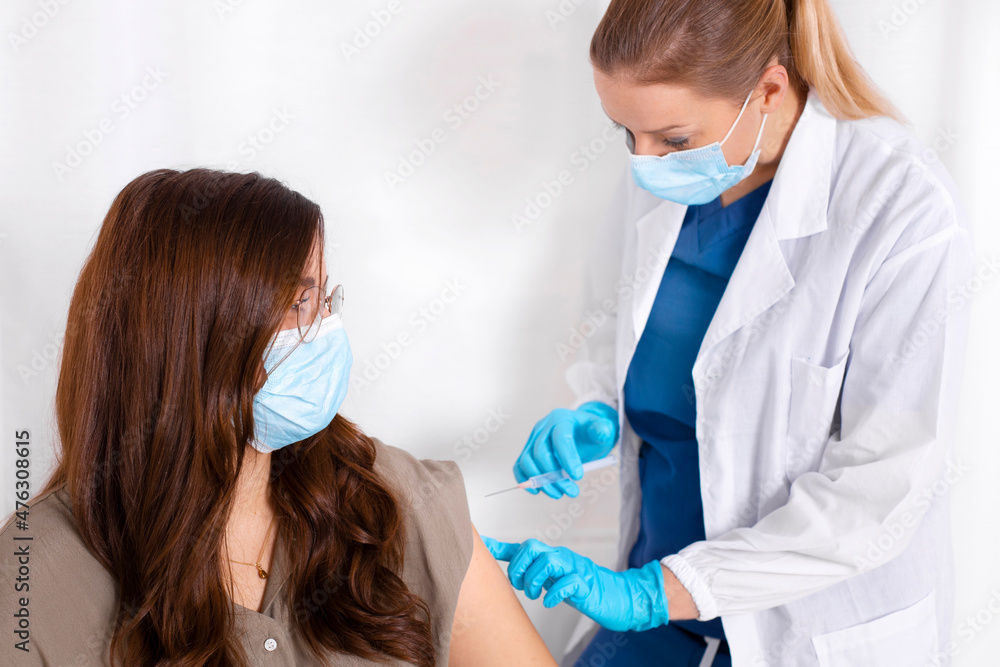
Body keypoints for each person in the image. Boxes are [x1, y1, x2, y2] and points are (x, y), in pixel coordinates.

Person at [483, 0, 975, 665]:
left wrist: (664, 590)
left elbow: (881, 487)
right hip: (653, 601)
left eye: (672, 140)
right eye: (627, 134)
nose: (644, 163)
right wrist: (599, 409)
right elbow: (620, 325)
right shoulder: (672, 171)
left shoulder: (901, 208)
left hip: (803, 626)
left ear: (768, 90)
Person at [0, 168, 559, 666]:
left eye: (321, 299)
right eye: (296, 303)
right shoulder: (33, 579)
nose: (325, 329)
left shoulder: (395, 502)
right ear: (189, 337)